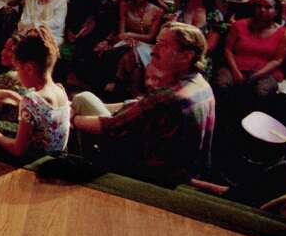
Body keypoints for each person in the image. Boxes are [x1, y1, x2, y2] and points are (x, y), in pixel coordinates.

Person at [69, 22, 216, 187]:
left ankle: (86, 175)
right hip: (183, 171)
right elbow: (139, 105)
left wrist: (71, 118)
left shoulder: (171, 96)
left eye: (164, 45)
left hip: (148, 176)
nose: (154, 50)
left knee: (82, 101)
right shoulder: (200, 83)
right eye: (157, 42)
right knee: (83, 101)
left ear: (187, 56)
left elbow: (111, 126)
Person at [0, 27, 71, 157]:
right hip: (58, 157)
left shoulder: (31, 100)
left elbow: (18, 150)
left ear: (29, 68)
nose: (17, 74)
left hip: (35, 163)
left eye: (18, 69)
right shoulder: (60, 90)